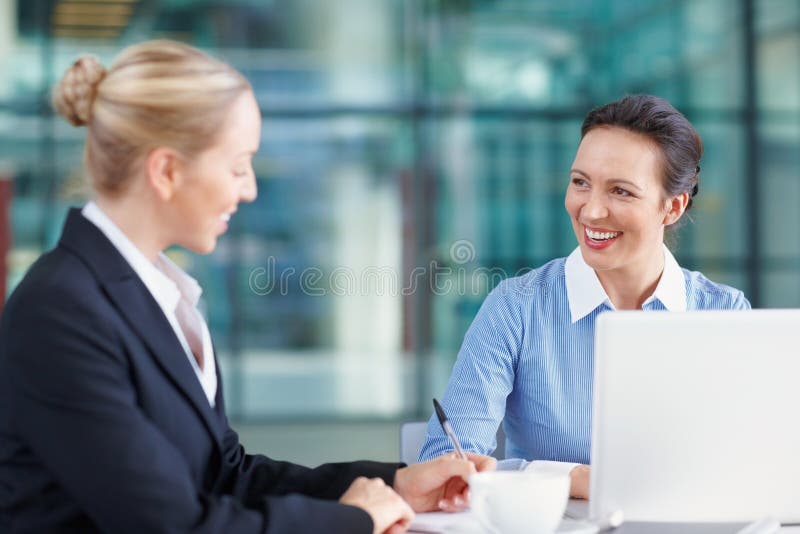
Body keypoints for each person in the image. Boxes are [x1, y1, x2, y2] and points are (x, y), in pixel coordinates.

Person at [0, 41, 494, 534]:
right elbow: (174, 526)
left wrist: (396, 485)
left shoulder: (159, 296)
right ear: (167, 170)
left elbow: (223, 473)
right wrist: (351, 521)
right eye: (238, 166)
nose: (250, 188)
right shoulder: (58, 312)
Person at [418, 94, 750, 499]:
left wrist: (548, 476)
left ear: (672, 207)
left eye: (621, 192)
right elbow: (446, 467)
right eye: (580, 182)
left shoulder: (724, 313)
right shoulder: (517, 308)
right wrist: (574, 480)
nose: (590, 211)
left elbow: (745, 464)